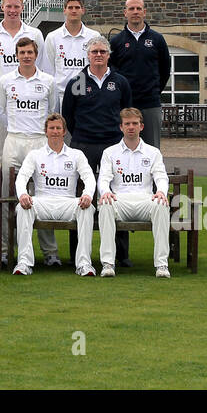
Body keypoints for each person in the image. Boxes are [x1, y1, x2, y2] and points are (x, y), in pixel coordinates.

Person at [62, 36, 133, 267]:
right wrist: (84, 136)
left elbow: (126, 112)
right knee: (81, 197)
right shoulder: (77, 82)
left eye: (103, 51)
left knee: (115, 195)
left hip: (113, 146)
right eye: (94, 51)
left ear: (109, 54)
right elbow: (68, 117)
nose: (99, 55)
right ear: (88, 54)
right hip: (83, 145)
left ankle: (120, 255)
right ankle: (78, 254)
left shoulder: (120, 82)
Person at [0, 36, 58, 263]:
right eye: (22, 53)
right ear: (17, 55)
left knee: (43, 194)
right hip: (15, 140)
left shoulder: (48, 81)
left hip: (40, 141)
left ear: (36, 54)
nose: (26, 56)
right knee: (7, 194)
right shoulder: (5, 81)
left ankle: (50, 253)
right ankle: (4, 250)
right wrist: (15, 126)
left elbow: (53, 110)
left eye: (30, 52)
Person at [13, 115, 96, 277]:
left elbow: (89, 177)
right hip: (42, 203)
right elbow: (22, 177)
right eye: (52, 128)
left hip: (67, 203)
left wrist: (87, 195)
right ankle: (24, 262)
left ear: (64, 131)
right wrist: (23, 194)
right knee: (22, 208)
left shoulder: (76, 155)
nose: (55, 131)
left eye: (58, 128)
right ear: (46, 131)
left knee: (87, 208)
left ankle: (84, 264)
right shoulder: (35, 155)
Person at [98, 108, 171, 279]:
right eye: (127, 124)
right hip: (120, 201)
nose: (131, 127)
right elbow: (103, 179)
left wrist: (161, 192)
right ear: (121, 127)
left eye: (135, 123)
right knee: (105, 204)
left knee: (161, 204)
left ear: (142, 126)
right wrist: (106, 192)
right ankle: (108, 263)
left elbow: (161, 176)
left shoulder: (153, 152)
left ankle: (162, 265)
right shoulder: (110, 152)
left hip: (145, 200)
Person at [108, 0, 171, 150]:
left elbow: (165, 70)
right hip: (125, 105)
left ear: (144, 12)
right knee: (122, 149)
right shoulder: (116, 42)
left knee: (152, 150)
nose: (135, 12)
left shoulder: (157, 39)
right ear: (125, 13)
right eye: (131, 9)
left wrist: (154, 91)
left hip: (150, 104)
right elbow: (112, 72)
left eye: (138, 9)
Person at [0, 0, 48, 91]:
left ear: (22, 8)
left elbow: (40, 63)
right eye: (8, 6)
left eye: (16, 6)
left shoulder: (35, 34)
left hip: (29, 91)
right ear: (2, 7)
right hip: (5, 92)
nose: (12, 10)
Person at [43, 0, 102, 95]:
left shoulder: (94, 36)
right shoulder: (52, 37)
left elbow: (99, 66)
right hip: (61, 94)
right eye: (70, 8)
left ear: (83, 10)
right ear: (64, 10)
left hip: (87, 94)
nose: (74, 11)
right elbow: (48, 70)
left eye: (77, 7)